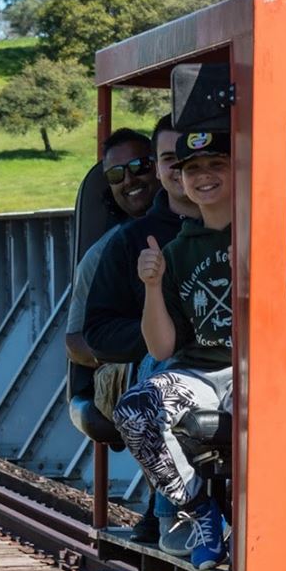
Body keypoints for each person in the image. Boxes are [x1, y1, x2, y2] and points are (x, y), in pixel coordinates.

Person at [112, 127, 235, 570]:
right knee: (135, 411)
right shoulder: (176, 250)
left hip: (259, 371)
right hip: (200, 374)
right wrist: (151, 285)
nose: (203, 176)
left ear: (238, 168)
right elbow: (162, 345)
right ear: (180, 180)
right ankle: (198, 510)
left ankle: (254, 523)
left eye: (216, 164)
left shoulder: (271, 233)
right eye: (192, 169)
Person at [81, 116, 197, 545]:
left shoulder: (239, 227)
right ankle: (167, 507)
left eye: (197, 159)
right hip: (156, 365)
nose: (186, 169)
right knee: (161, 361)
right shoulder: (128, 243)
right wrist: (165, 334)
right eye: (171, 159)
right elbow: (94, 333)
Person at [64, 128, 160, 367]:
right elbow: (74, 342)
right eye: (116, 174)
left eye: (139, 166)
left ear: (160, 168)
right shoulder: (101, 254)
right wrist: (127, 360)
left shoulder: (194, 228)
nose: (129, 179)